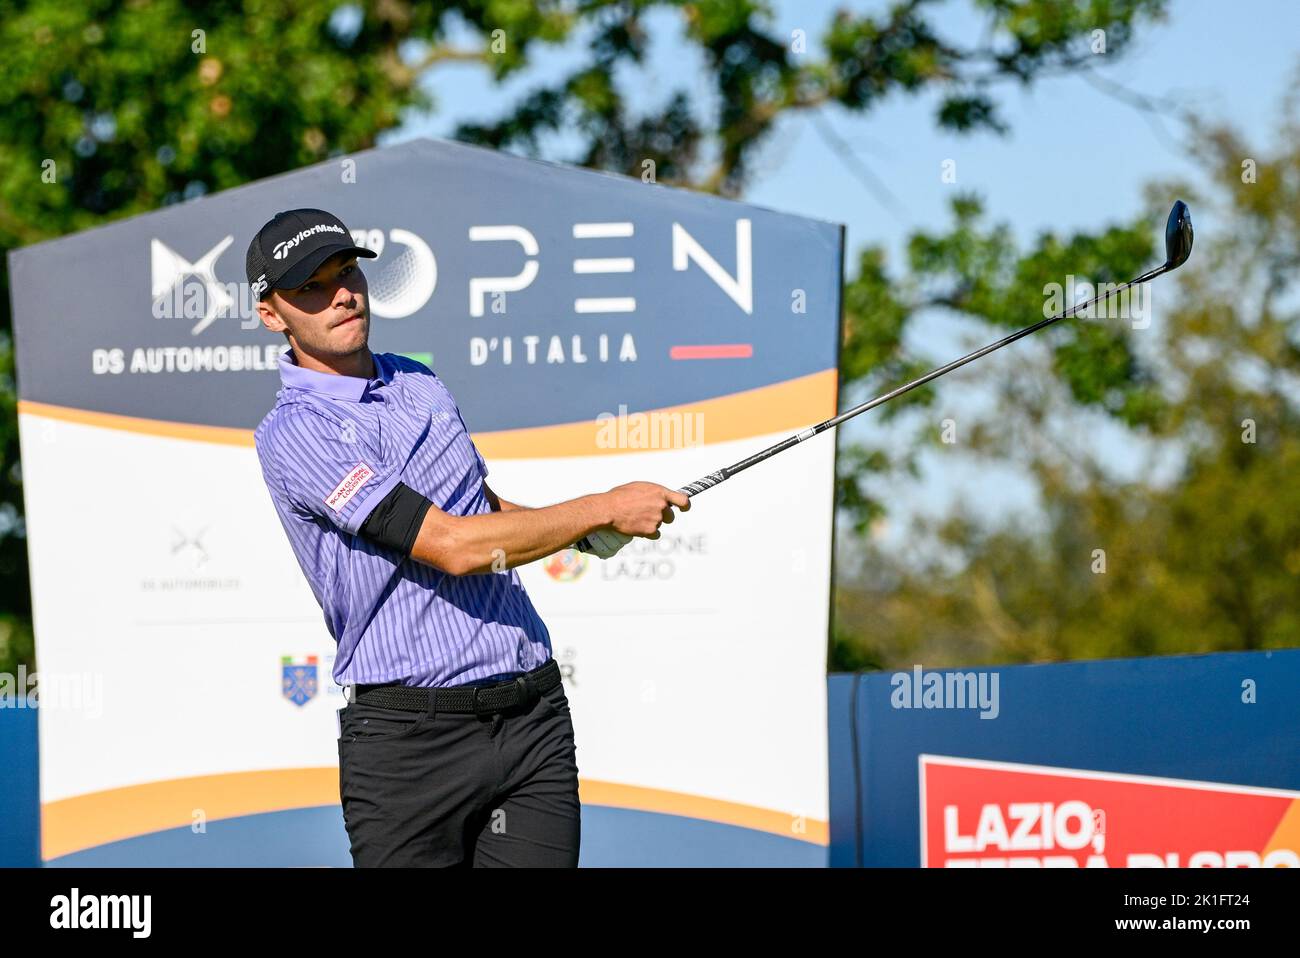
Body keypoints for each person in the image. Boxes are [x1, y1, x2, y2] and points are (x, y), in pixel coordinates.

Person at [246, 208, 689, 866]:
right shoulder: (294, 434)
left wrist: (588, 532)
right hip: (409, 745)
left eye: (347, 274)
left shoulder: (420, 382)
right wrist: (601, 504)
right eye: (310, 287)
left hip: (531, 713)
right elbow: (451, 544)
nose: (341, 293)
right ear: (272, 315)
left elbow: (477, 506)